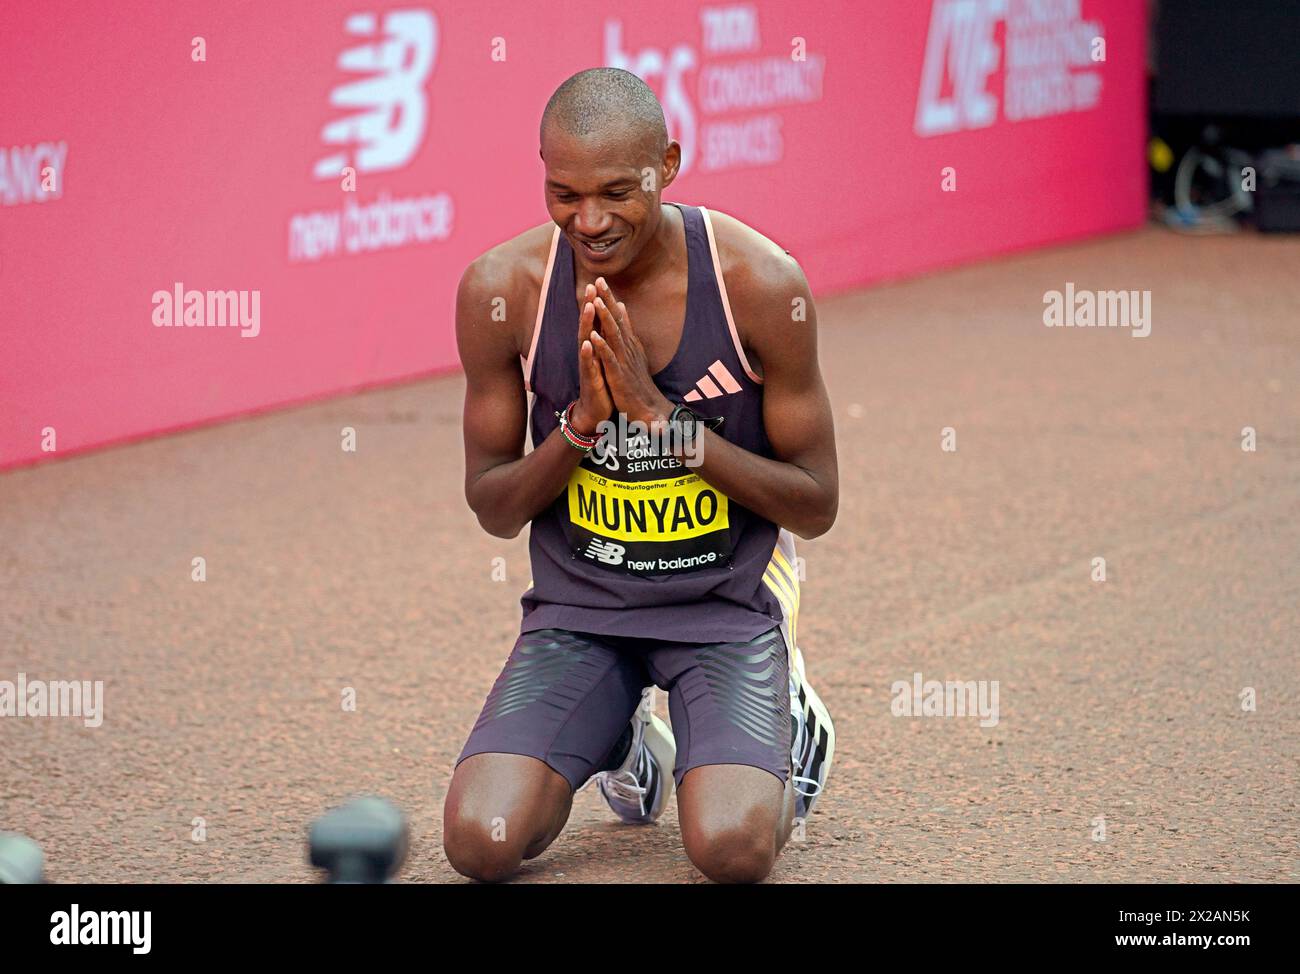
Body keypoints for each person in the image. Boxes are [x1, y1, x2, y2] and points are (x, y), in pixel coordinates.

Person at [443, 67, 838, 883]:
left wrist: (668, 424)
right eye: (564, 193)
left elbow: (817, 503)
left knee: (731, 853)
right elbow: (493, 505)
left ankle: (790, 714)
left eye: (618, 191)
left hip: (723, 607)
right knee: (479, 843)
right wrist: (581, 428)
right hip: (580, 611)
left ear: (670, 162)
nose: (589, 220)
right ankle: (620, 735)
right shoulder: (502, 291)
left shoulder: (758, 286)